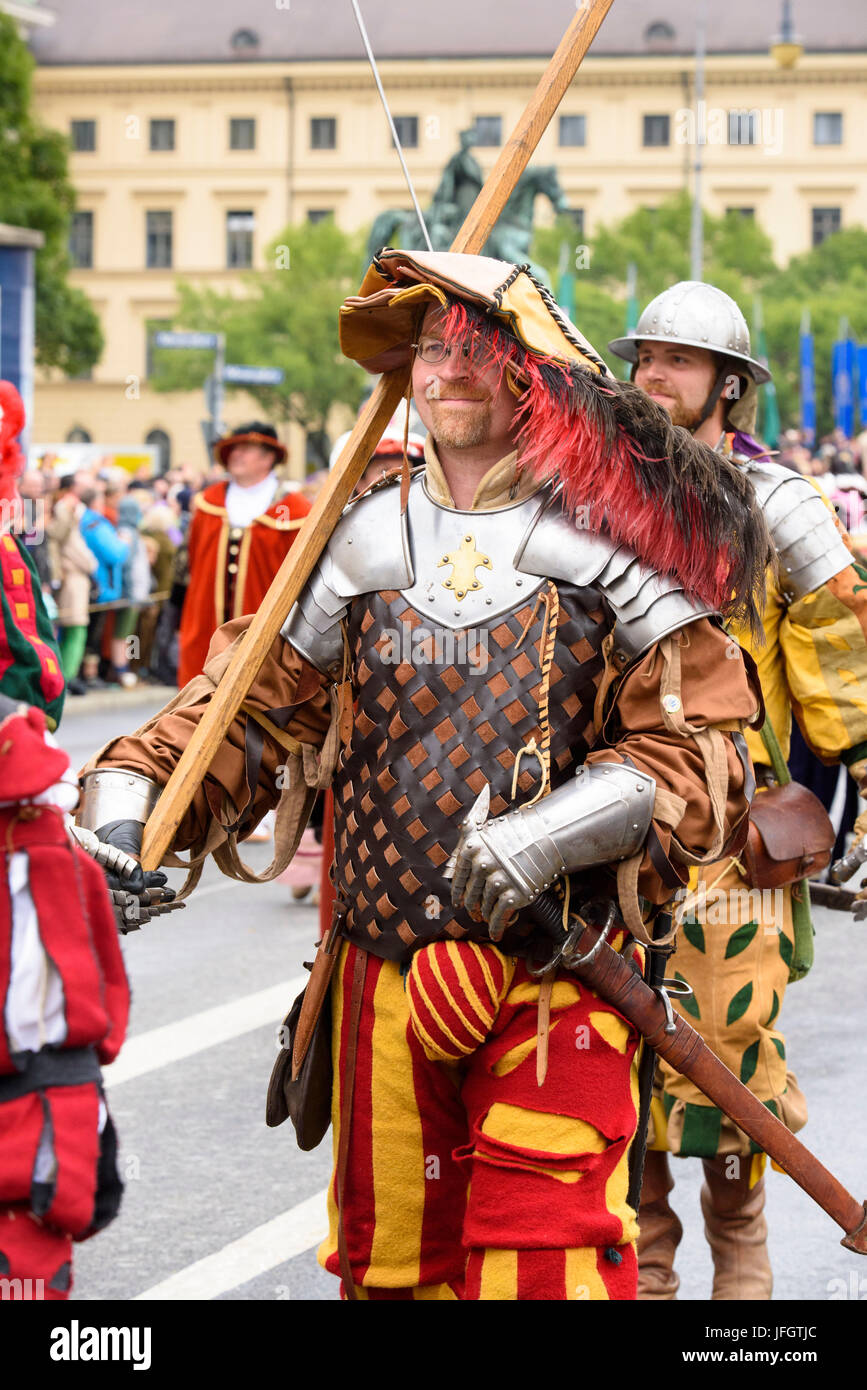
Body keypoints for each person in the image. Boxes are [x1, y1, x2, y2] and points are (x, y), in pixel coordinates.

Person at [80, 251, 769, 1301]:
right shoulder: (359, 532)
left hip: (556, 969)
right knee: (392, 1270)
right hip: (382, 970)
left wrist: (548, 834)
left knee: (549, 1270)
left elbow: (705, 750)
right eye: (429, 352)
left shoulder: (613, 537)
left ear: (528, 373)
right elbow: (249, 705)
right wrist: (129, 800)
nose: (448, 373)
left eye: (476, 352)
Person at [610, 280, 867, 1300]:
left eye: (680, 361)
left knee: (725, 1061)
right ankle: (651, 1272)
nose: (655, 376)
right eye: (646, 358)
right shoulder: (594, 499)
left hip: (734, 832)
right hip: (614, 825)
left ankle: (744, 1278)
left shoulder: (781, 503)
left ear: (730, 384)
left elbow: (845, 660)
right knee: (615, 1063)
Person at [176, 422, 311, 690]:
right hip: (204, 628)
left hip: (266, 635)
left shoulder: (295, 511)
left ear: (269, 456)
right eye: (233, 449)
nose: (236, 455)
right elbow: (189, 564)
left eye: (246, 449)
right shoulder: (207, 504)